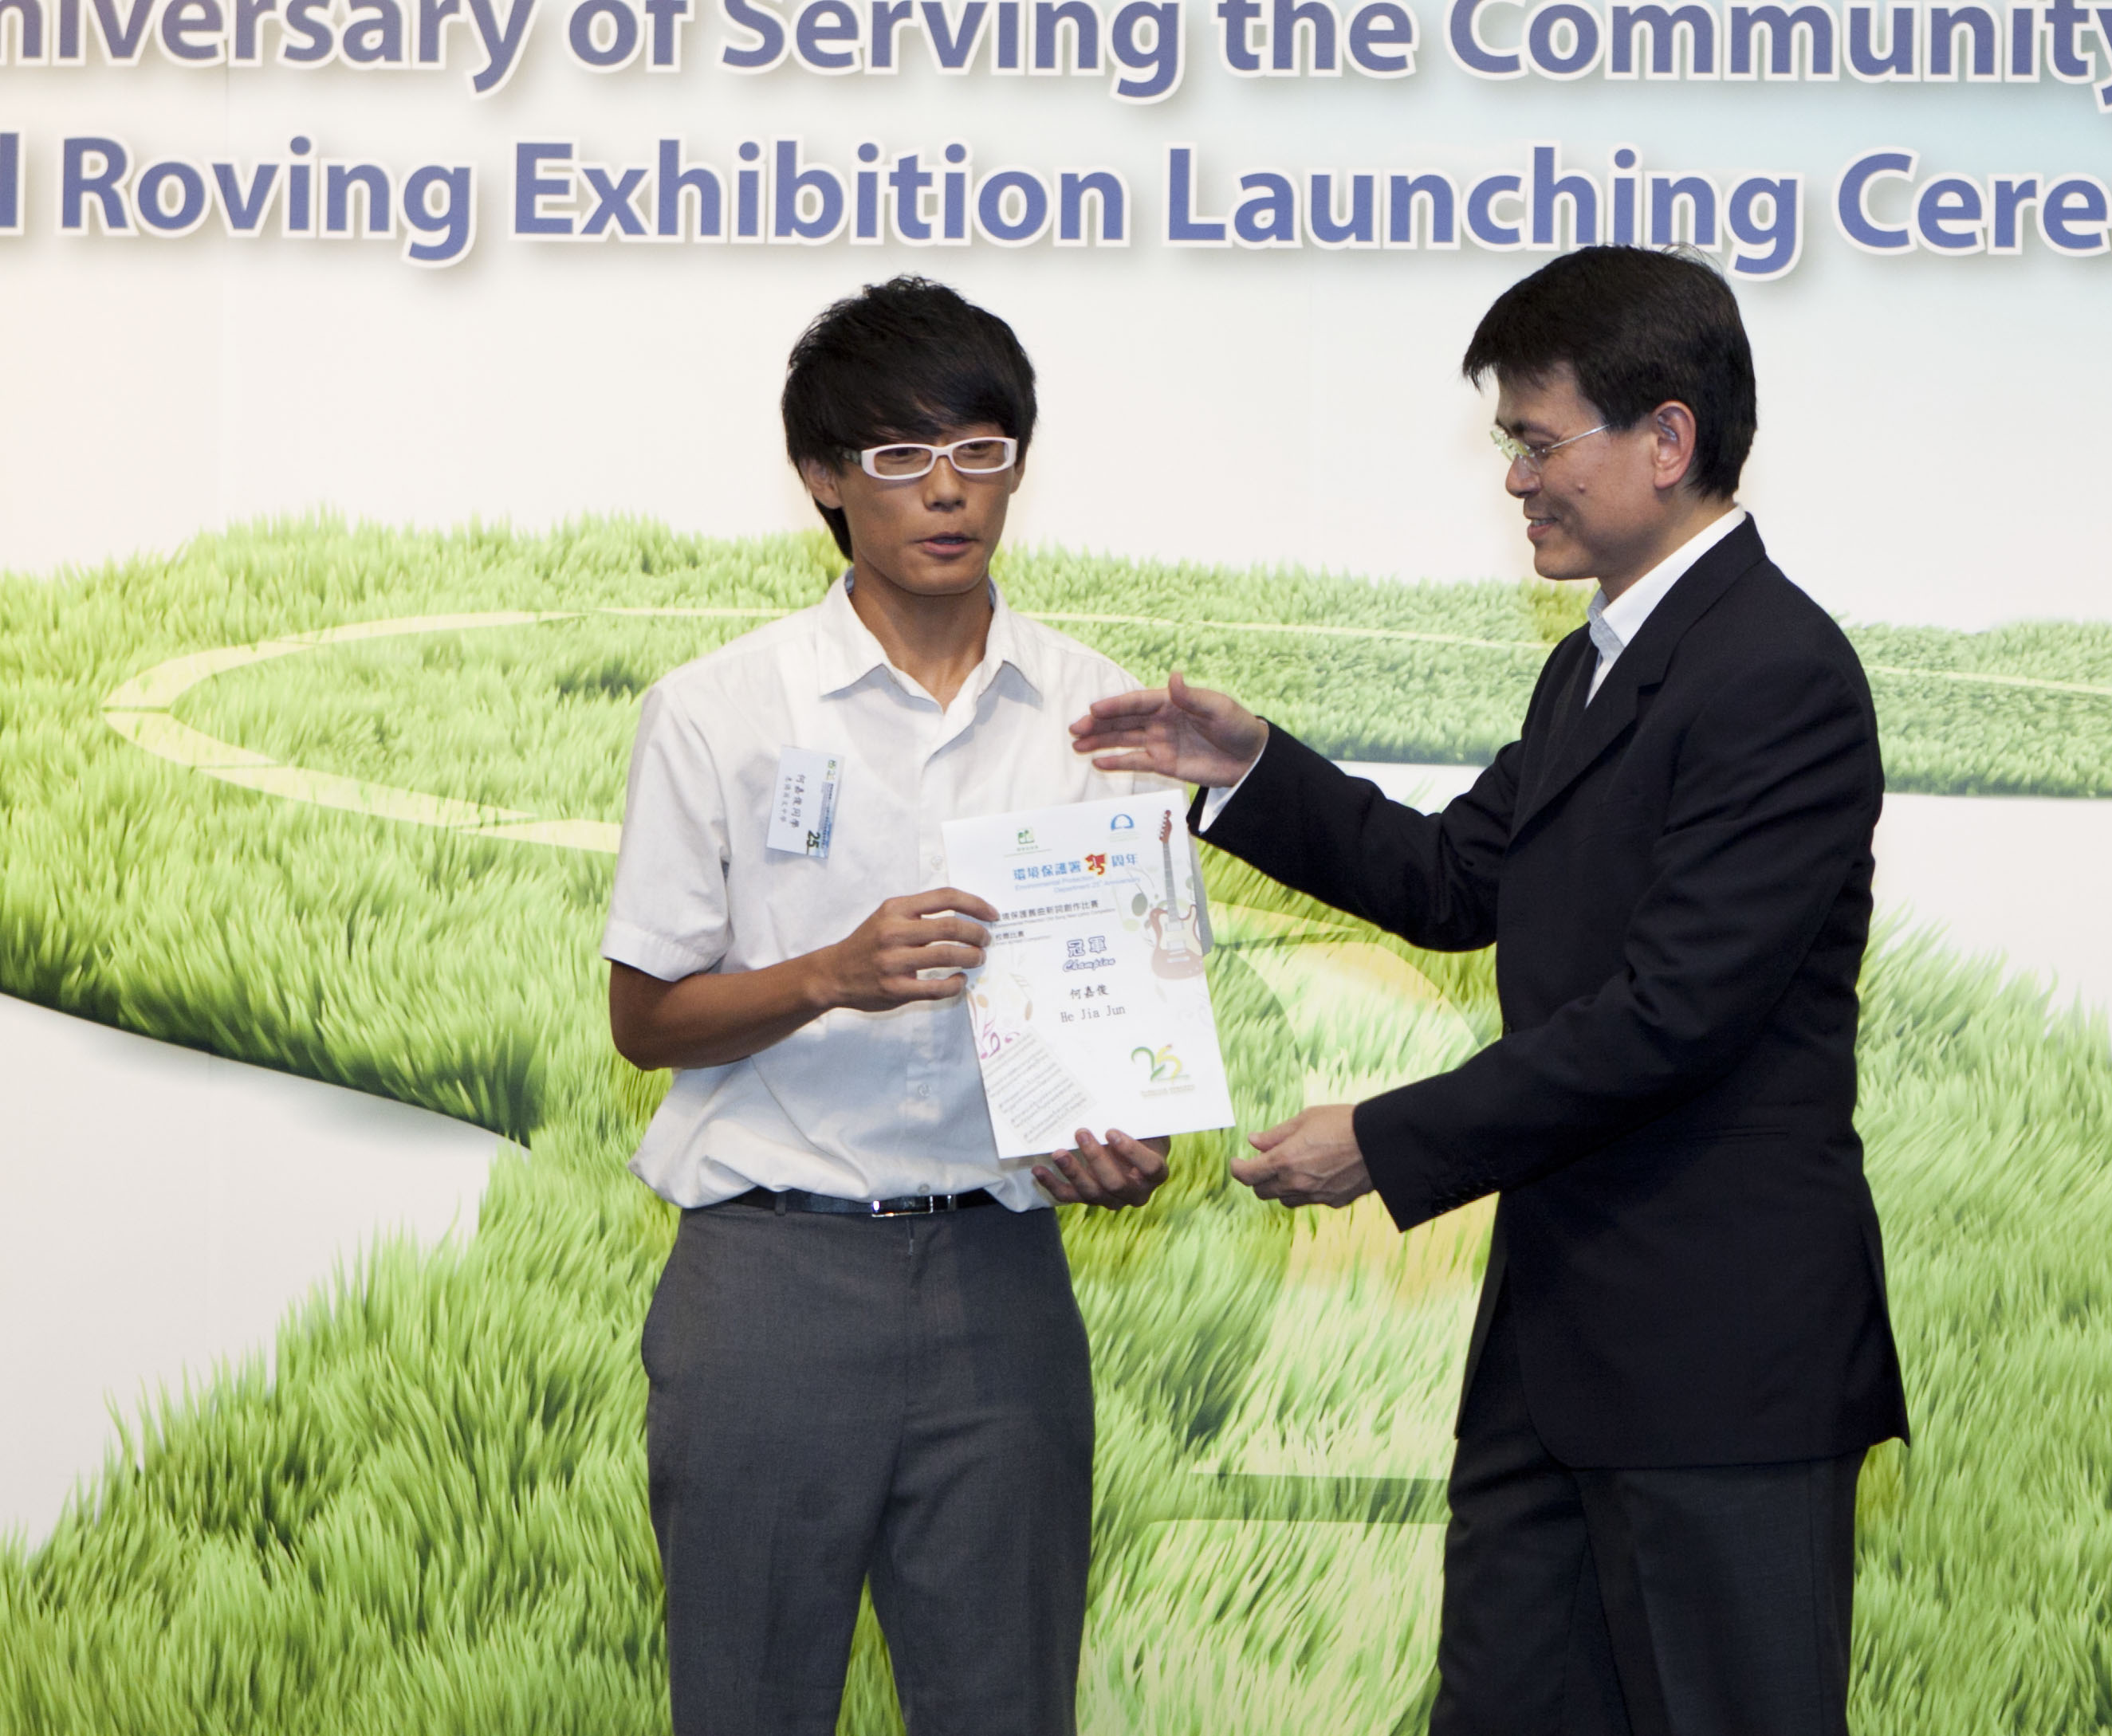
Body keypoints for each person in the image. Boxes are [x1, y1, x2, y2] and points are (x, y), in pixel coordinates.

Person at [1072, 246, 1908, 1736]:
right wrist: (1253, 767)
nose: (1517, 480)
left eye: (1537, 441)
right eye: (1511, 445)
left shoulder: (1777, 672)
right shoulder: (1591, 669)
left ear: (1668, 439)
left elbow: (1673, 1014)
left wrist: (1383, 1140)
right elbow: (1461, 879)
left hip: (1719, 1368)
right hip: (1555, 1351)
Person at [603, 275, 1173, 1736]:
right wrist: (828, 977)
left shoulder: (1099, 715)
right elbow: (646, 1017)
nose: (949, 493)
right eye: (903, 458)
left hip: (1004, 1286)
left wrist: (1129, 1144)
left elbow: (1136, 1012)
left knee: (1006, 1707)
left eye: (982, 453)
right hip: (771, 1280)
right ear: (825, 479)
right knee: (747, 1702)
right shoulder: (720, 710)